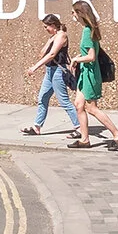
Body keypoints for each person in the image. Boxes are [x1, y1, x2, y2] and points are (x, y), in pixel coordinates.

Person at [70, 0, 118, 148]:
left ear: (80, 13)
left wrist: (76, 60)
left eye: (73, 12)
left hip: (90, 74)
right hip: (86, 74)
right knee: (79, 105)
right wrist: (80, 57)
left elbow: (92, 56)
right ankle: (84, 139)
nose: (72, 15)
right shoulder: (88, 30)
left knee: (91, 108)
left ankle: (117, 135)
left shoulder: (87, 32)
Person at [21, 13, 81, 141]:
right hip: (50, 71)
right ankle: (37, 127)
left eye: (46, 27)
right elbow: (42, 53)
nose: (45, 29)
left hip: (58, 72)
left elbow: (52, 54)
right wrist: (50, 39)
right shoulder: (54, 37)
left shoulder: (62, 36)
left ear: (53, 25)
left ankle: (80, 128)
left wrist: (34, 67)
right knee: (42, 97)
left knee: (64, 101)